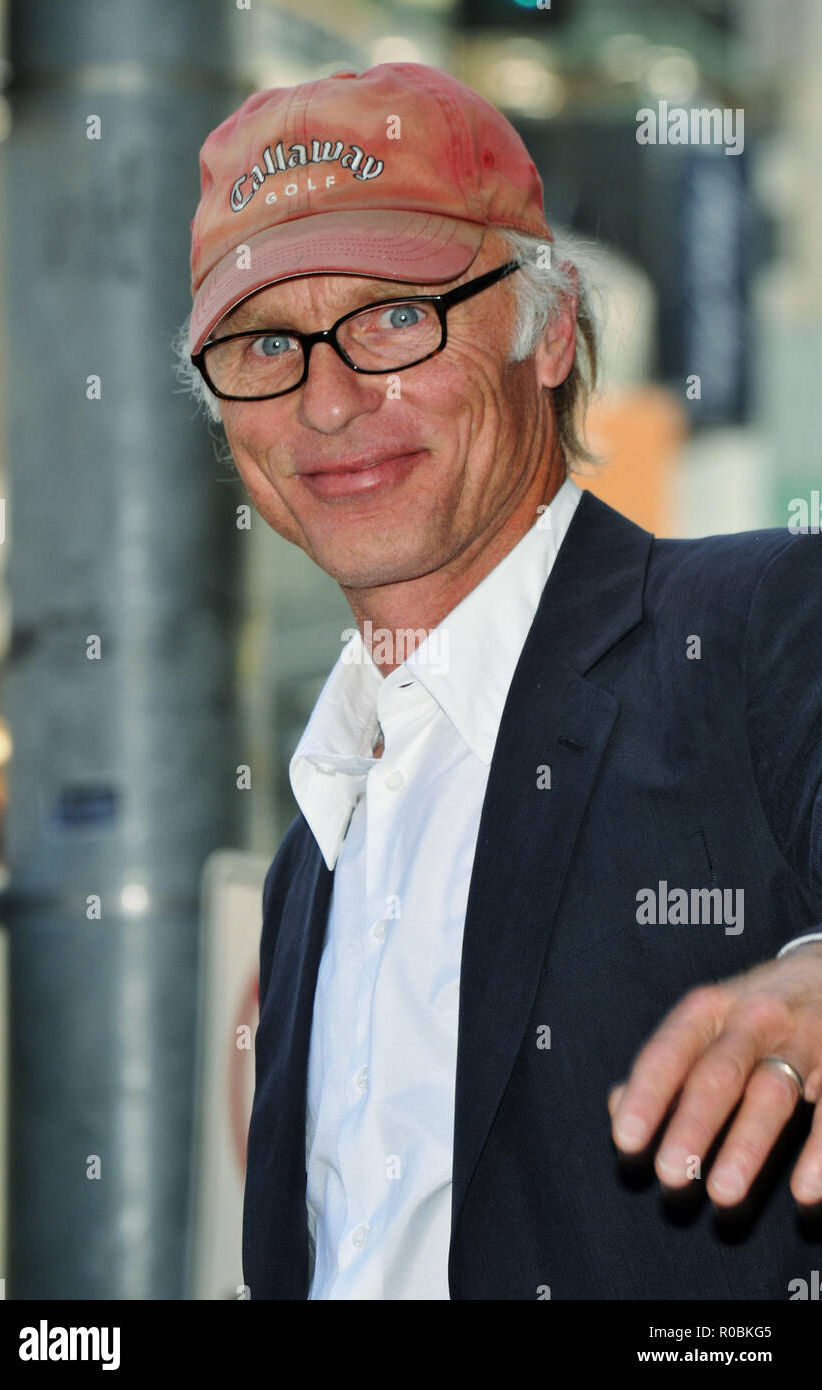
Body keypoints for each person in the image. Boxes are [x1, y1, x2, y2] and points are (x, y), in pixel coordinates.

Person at [182, 62, 822, 1300]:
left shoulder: (757, 622)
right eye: (265, 341)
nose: (325, 399)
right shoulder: (317, 844)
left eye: (392, 317)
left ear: (547, 329)